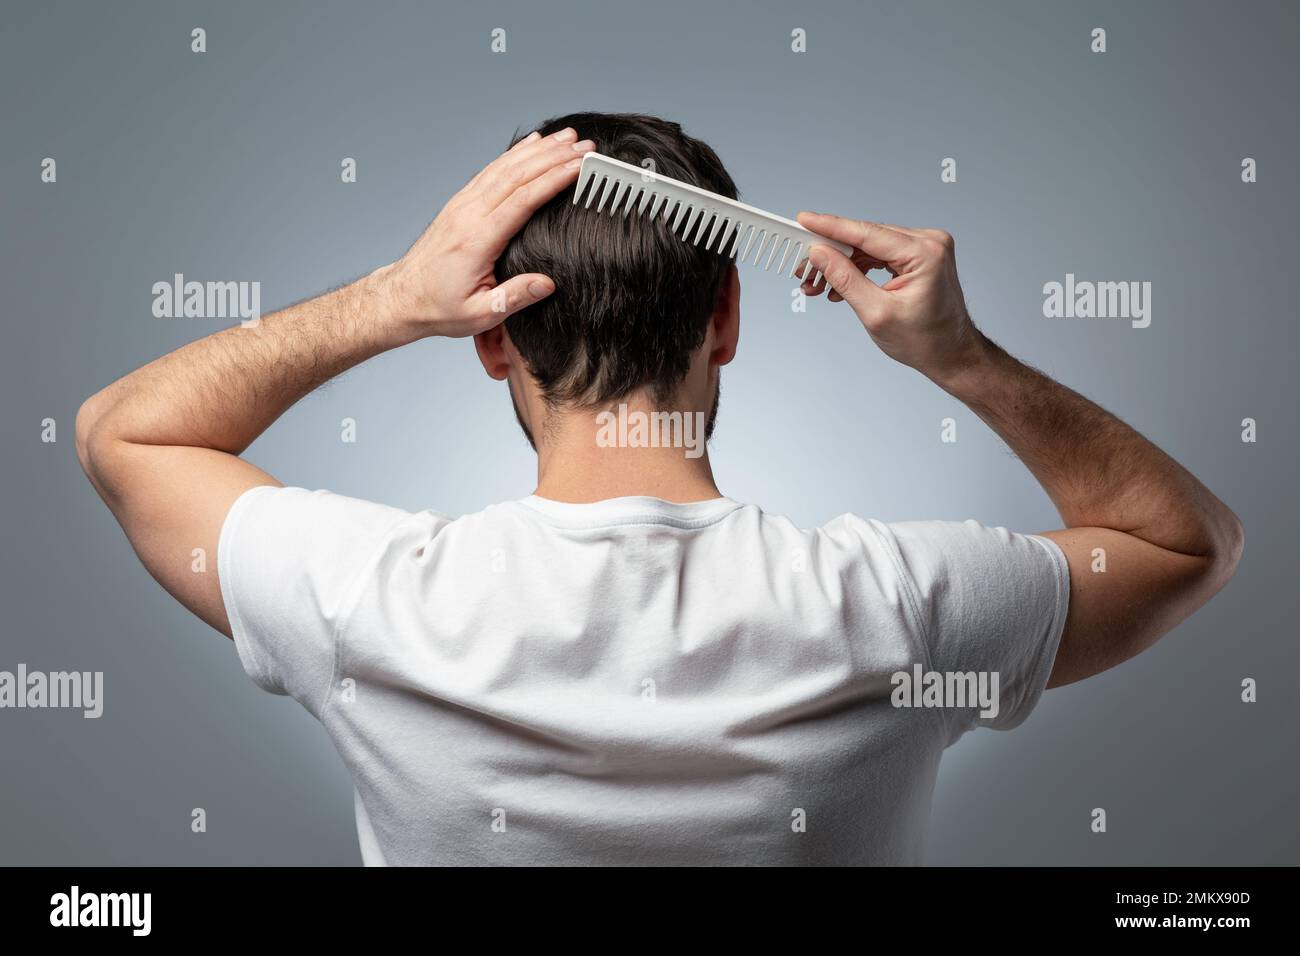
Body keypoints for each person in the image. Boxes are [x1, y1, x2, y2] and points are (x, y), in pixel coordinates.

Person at [74, 112, 1242, 865]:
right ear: (726, 321)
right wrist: (958, 354)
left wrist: (391, 297)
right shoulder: (903, 605)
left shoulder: (363, 598)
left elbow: (122, 434)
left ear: (489, 339)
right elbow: (1186, 542)